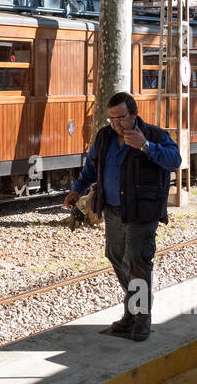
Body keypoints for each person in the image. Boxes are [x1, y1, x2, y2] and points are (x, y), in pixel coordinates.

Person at [63, 92, 181, 341]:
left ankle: (141, 320)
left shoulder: (154, 135)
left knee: (137, 261)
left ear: (135, 114)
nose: (116, 124)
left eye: (121, 118)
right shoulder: (105, 137)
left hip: (141, 212)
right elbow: (91, 167)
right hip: (114, 210)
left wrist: (145, 146)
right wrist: (77, 190)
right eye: (111, 119)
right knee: (117, 257)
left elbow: (174, 160)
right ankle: (131, 314)